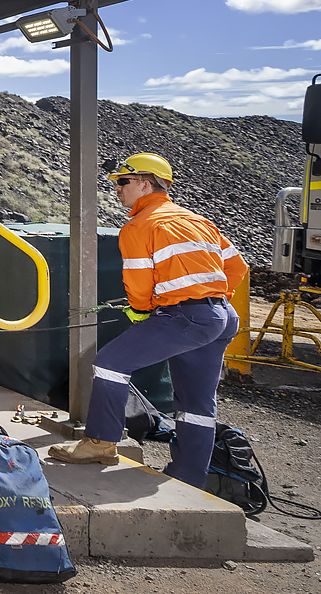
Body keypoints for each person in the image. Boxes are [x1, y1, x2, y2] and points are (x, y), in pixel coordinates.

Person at [51, 153, 247, 488]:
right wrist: (212, 298)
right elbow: (237, 267)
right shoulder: (197, 220)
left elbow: (139, 283)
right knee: (196, 404)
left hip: (186, 316)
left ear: (145, 184)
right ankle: (188, 477)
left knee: (110, 364)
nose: (117, 188)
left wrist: (142, 310)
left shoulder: (139, 225)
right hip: (221, 316)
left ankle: (100, 443)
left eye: (123, 182)